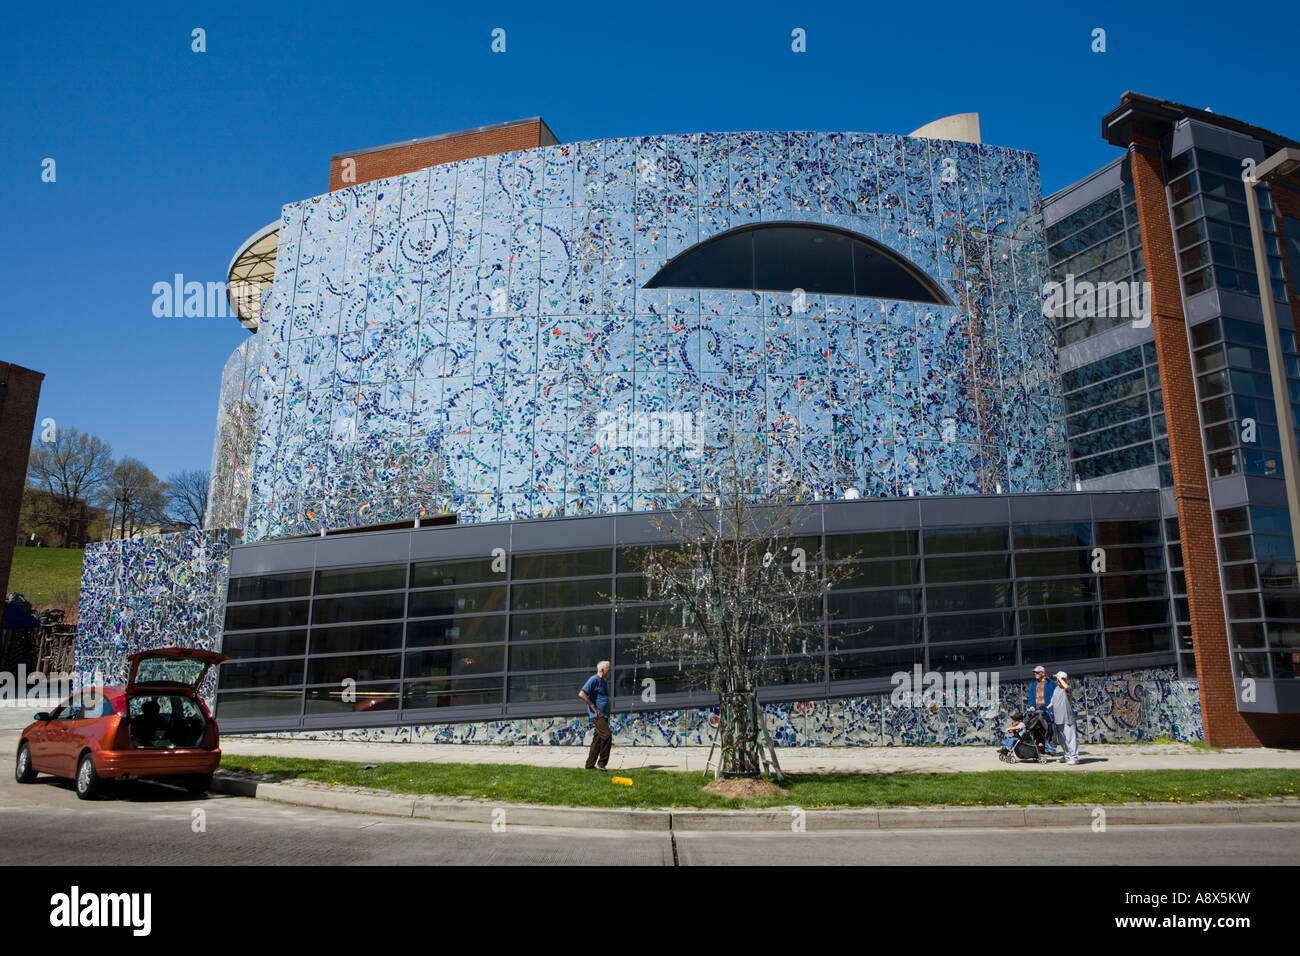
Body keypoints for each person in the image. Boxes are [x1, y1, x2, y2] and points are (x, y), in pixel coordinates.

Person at [578, 660, 613, 770]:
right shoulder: (594, 679)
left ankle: (589, 765)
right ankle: (602, 762)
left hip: (604, 715)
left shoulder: (603, 681)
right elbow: (582, 694)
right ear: (602, 670)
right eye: (609, 669)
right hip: (597, 715)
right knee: (607, 735)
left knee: (597, 740)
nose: (610, 671)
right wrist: (593, 706)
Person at [1028, 666, 1057, 755]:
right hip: (1037, 710)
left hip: (1047, 709)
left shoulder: (1050, 683)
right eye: (1035, 673)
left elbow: (1054, 697)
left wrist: (1052, 709)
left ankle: (1051, 748)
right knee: (1038, 729)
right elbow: (1031, 697)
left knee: (1050, 729)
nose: (1035, 674)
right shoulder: (1033, 684)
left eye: (1037, 672)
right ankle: (1040, 747)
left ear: (1042, 673)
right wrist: (1031, 706)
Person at [1051, 671, 1079, 765]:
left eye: (1059, 679)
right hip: (1058, 719)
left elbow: (1066, 686)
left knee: (1070, 738)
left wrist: (1060, 678)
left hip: (1067, 718)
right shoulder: (1056, 689)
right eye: (1057, 680)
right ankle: (1067, 756)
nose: (1058, 681)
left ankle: (1074, 757)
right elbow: (1053, 702)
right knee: (1062, 740)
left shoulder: (1067, 688)